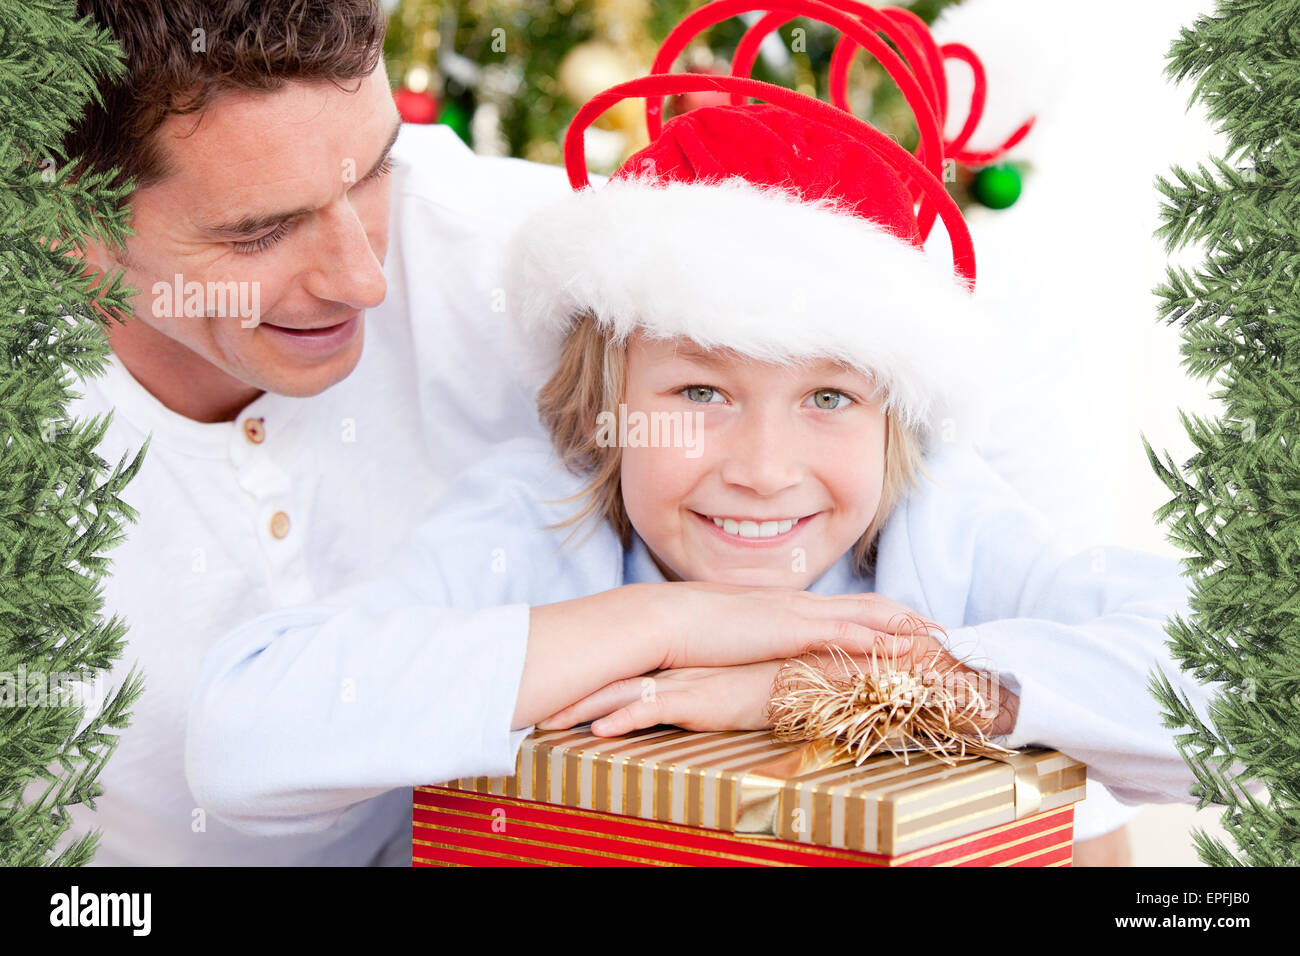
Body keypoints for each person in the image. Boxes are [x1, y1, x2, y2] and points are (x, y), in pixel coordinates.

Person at [186, 13, 1217, 864]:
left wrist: (837, 688)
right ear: (604, 404)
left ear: (893, 412)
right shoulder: (534, 518)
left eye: (827, 398)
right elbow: (241, 737)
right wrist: (657, 623)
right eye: (698, 391)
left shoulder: (938, 524)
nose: (764, 471)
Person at [55, 0, 936, 866]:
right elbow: (246, 740)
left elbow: (925, 425)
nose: (365, 280)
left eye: (372, 171)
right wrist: (663, 621)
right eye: (260, 231)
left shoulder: (552, 264)